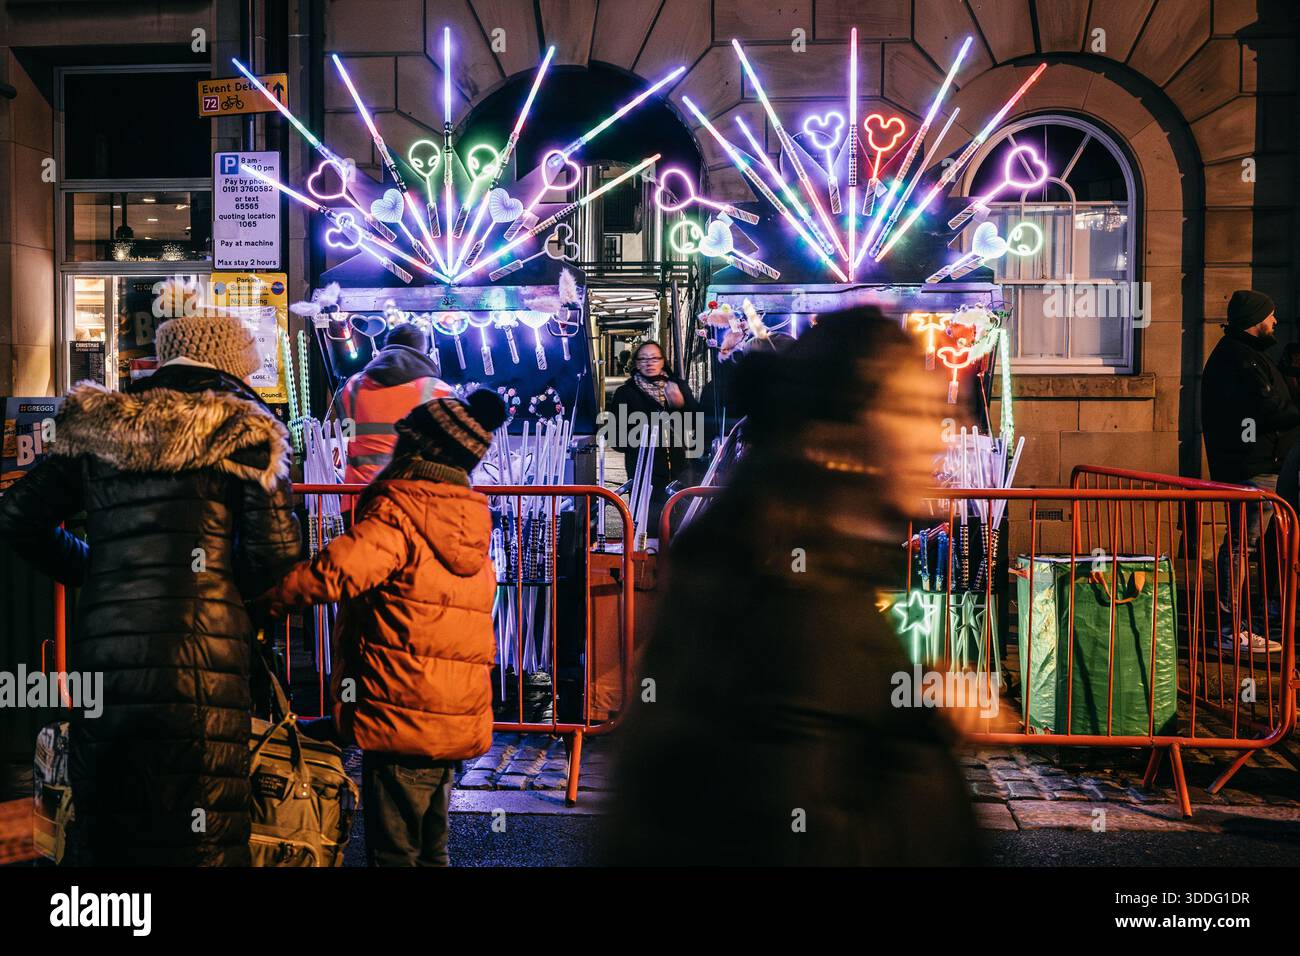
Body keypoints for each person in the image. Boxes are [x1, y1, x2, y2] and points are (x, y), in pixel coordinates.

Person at [603, 308, 980, 865]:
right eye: (912, 411)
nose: (938, 438)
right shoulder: (796, 597)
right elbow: (799, 830)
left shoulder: (809, 558)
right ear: (846, 432)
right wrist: (921, 738)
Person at [0, 309, 302, 866]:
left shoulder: (97, 423)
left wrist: (96, 570)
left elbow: (19, 515)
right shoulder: (249, 430)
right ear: (232, 364)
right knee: (203, 815)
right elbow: (274, 558)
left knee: (111, 812)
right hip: (206, 655)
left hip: (109, 651)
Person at [257, 390, 507, 867]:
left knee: (393, 850)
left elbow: (336, 571)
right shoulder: (468, 520)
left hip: (402, 711)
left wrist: (267, 602)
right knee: (431, 845)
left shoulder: (402, 511)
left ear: (417, 450)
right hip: (449, 712)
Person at [1201, 289, 1297, 653]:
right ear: (1257, 319)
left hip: (1253, 466)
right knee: (1242, 547)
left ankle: (1240, 626)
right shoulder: (1241, 359)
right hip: (1252, 470)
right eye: (1270, 316)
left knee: (1246, 547)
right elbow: (1268, 409)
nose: (1275, 322)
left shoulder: (1244, 355)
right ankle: (1231, 631)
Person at [330, 322, 452, 483]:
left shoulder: (353, 387)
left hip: (361, 498)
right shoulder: (440, 391)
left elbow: (348, 434)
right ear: (422, 352)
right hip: (412, 499)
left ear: (386, 347)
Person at [608, 340, 699, 530]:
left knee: (681, 522)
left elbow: (696, 428)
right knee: (647, 526)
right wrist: (642, 439)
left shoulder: (677, 387)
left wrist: (681, 407)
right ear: (636, 363)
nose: (650, 363)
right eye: (644, 359)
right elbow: (614, 438)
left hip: (680, 467)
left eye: (655, 358)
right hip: (644, 472)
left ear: (663, 361)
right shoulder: (625, 393)